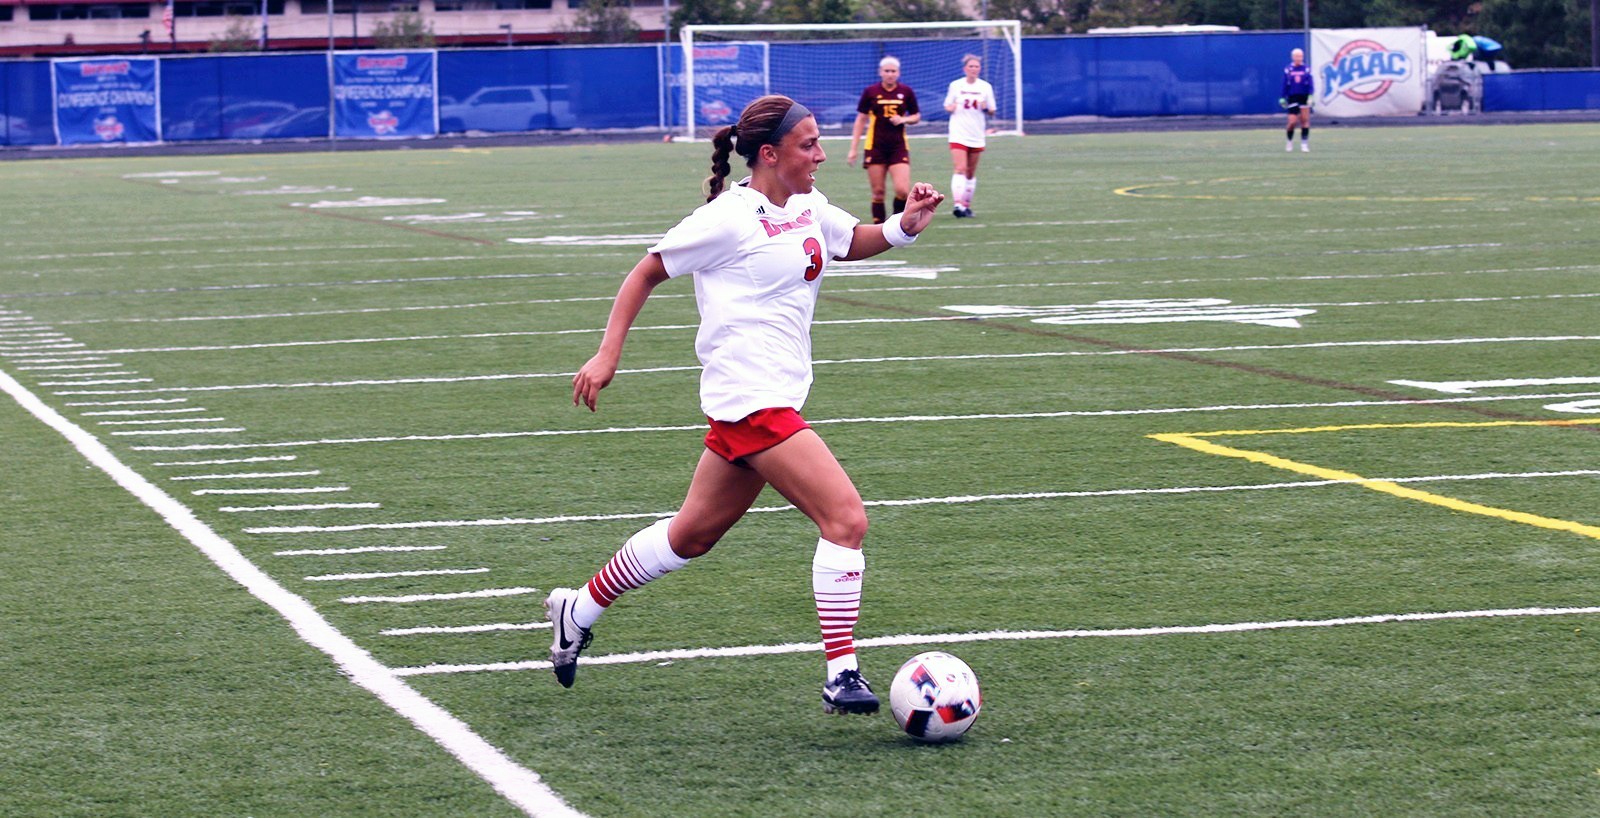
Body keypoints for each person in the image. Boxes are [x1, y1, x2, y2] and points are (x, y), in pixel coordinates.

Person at [550, 94, 945, 716]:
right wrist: (607, 354)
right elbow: (646, 272)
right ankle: (841, 673)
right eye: (808, 145)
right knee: (845, 519)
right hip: (749, 397)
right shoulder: (728, 218)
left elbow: (852, 241)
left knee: (690, 536)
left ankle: (578, 608)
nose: (820, 155)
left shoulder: (808, 205)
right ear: (769, 154)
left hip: (773, 394)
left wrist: (906, 224)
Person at [847, 56, 921, 224]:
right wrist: (853, 148)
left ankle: (896, 224)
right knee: (878, 192)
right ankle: (878, 229)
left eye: (893, 71)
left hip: (898, 147)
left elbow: (916, 116)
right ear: (880, 72)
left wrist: (904, 119)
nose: (890, 74)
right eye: (887, 71)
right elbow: (861, 119)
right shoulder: (871, 92)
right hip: (875, 147)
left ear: (898, 73)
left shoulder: (906, 91)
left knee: (902, 190)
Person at [943, 54, 997, 218]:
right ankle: (958, 205)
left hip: (976, 134)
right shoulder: (956, 85)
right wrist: (951, 107)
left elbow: (992, 110)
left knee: (970, 173)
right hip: (958, 133)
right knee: (960, 168)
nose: (974, 69)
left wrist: (985, 107)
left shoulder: (985, 87)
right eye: (971, 66)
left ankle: (966, 205)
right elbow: (947, 105)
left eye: (976, 66)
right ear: (965, 69)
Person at [1281, 47, 1314, 153]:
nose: (1299, 58)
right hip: (1293, 96)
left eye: (1300, 56)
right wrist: (1282, 97)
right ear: (1293, 57)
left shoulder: (1306, 69)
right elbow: (1285, 84)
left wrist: (1311, 95)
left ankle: (1304, 144)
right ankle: (1289, 141)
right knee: (1292, 122)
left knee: (1305, 120)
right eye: (1297, 56)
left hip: (1304, 96)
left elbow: (1310, 83)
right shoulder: (1289, 69)